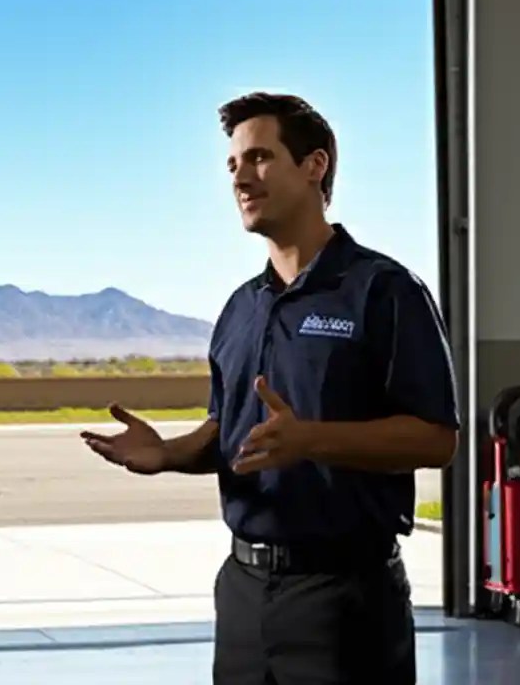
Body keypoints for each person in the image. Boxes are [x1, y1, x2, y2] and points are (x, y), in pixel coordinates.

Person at [80, 92, 458, 685]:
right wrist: (170, 454)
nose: (240, 178)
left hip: (345, 596)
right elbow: (233, 436)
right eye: (232, 166)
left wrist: (311, 439)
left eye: (258, 158)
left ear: (314, 166)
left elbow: (436, 440)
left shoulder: (383, 291)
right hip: (243, 591)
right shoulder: (240, 309)